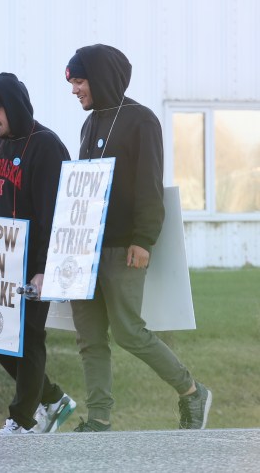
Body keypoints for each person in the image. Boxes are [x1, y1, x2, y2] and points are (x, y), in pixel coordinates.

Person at [65, 44, 213, 432]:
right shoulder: (89, 123)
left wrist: (143, 239)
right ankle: (98, 418)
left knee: (129, 332)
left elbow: (149, 185)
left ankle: (192, 391)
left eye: (79, 80)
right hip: (83, 250)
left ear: (98, 78)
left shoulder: (142, 121)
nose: (75, 89)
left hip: (121, 247)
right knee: (89, 338)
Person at [0, 72, 77, 435]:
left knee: (28, 336)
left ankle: (22, 420)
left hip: (33, 260)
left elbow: (52, 214)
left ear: (13, 106)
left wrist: (44, 269)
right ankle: (54, 399)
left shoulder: (46, 145)